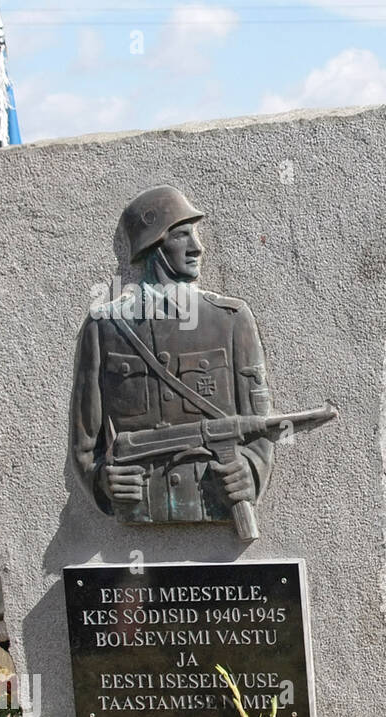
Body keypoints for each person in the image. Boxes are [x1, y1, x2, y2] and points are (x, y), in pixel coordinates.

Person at [71, 185, 273, 527]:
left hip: (212, 499)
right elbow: (85, 439)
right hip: (143, 505)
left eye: (194, 234)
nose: (198, 247)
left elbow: (259, 424)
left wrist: (250, 470)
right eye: (181, 235)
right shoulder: (105, 327)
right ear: (154, 244)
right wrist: (102, 481)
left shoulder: (230, 319)